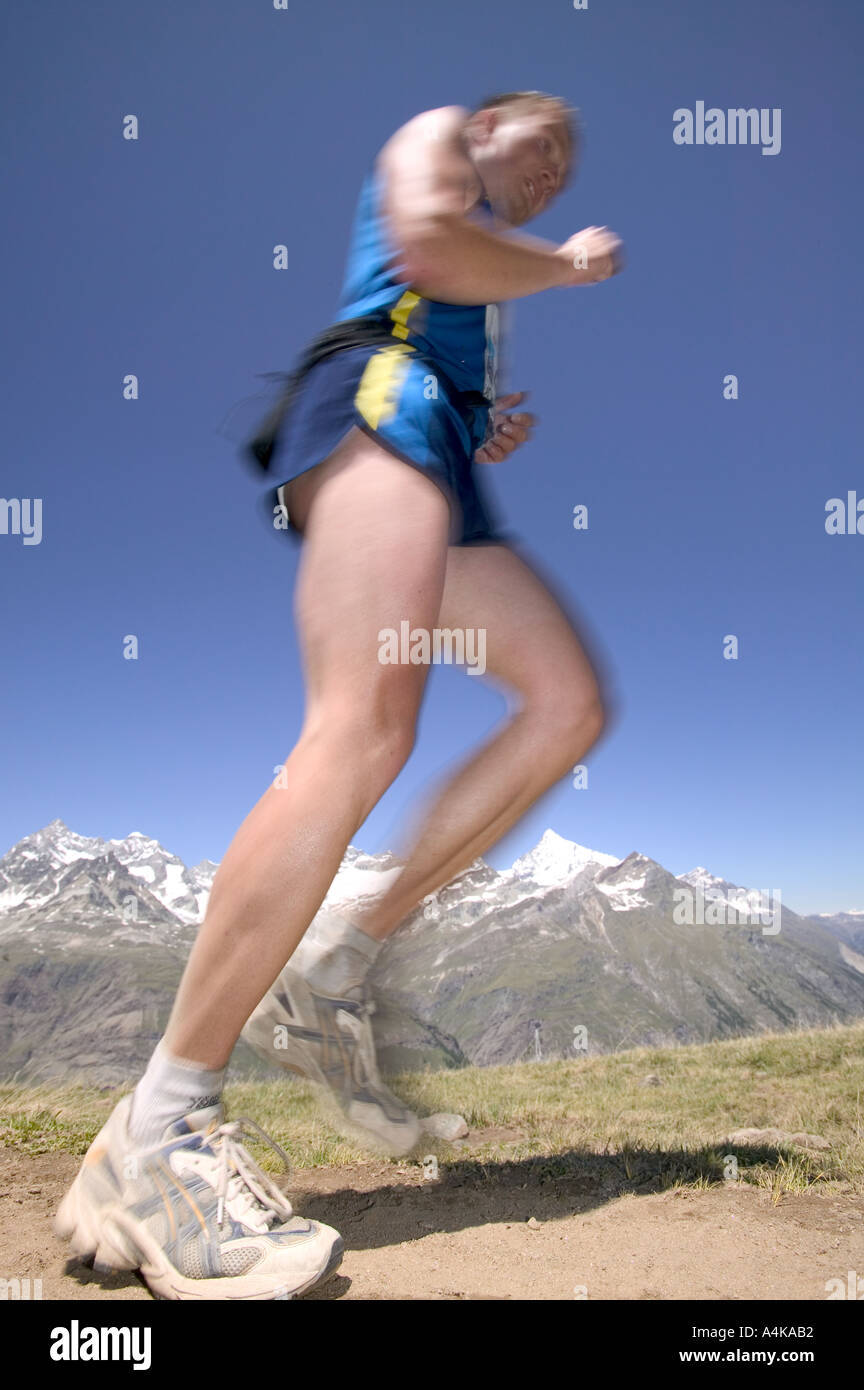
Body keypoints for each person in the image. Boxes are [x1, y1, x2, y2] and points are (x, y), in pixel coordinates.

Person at [56, 90, 623, 1300]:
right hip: (373, 403)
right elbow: (424, 244)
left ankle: (338, 957)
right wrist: (566, 269)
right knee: (364, 726)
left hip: (432, 435)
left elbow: (447, 284)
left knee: (567, 704)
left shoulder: (491, 269)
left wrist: (484, 415)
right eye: (545, 140)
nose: (557, 166)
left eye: (571, 163)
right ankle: (160, 1129)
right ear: (490, 125)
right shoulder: (439, 141)